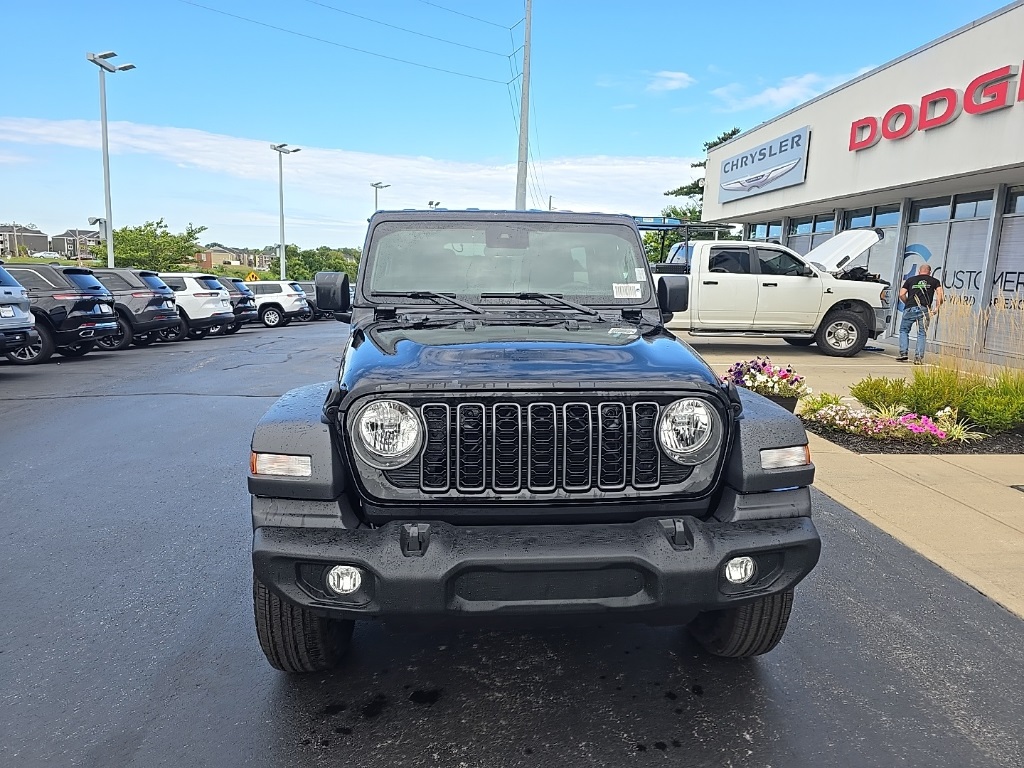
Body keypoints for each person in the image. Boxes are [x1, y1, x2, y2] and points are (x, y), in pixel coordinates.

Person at [897, 264, 943, 364]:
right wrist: (936, 308)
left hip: (909, 308)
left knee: (904, 330)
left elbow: (901, 294)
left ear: (919, 271)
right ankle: (918, 358)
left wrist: (907, 303)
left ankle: (903, 353)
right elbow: (940, 294)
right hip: (924, 309)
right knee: (922, 333)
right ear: (930, 272)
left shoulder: (910, 280)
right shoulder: (935, 281)